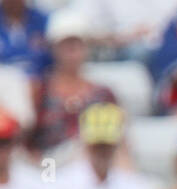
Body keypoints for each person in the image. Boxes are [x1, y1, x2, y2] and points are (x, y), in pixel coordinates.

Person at [29, 9, 116, 160]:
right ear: (53, 47)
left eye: (77, 43)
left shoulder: (103, 94)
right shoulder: (39, 91)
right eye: (66, 44)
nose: (72, 49)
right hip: (49, 166)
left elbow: (114, 144)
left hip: (90, 167)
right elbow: (26, 143)